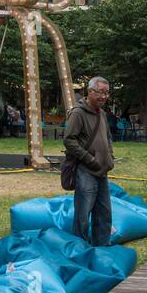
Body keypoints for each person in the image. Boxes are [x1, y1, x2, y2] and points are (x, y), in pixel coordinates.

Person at [64, 77, 115, 247]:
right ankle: (80, 248)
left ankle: (102, 247)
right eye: (101, 92)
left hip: (102, 171)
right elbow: (69, 141)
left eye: (107, 93)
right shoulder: (78, 113)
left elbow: (107, 138)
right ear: (90, 91)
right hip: (86, 171)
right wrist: (90, 159)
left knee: (104, 213)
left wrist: (110, 158)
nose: (104, 96)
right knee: (83, 214)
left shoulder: (102, 114)